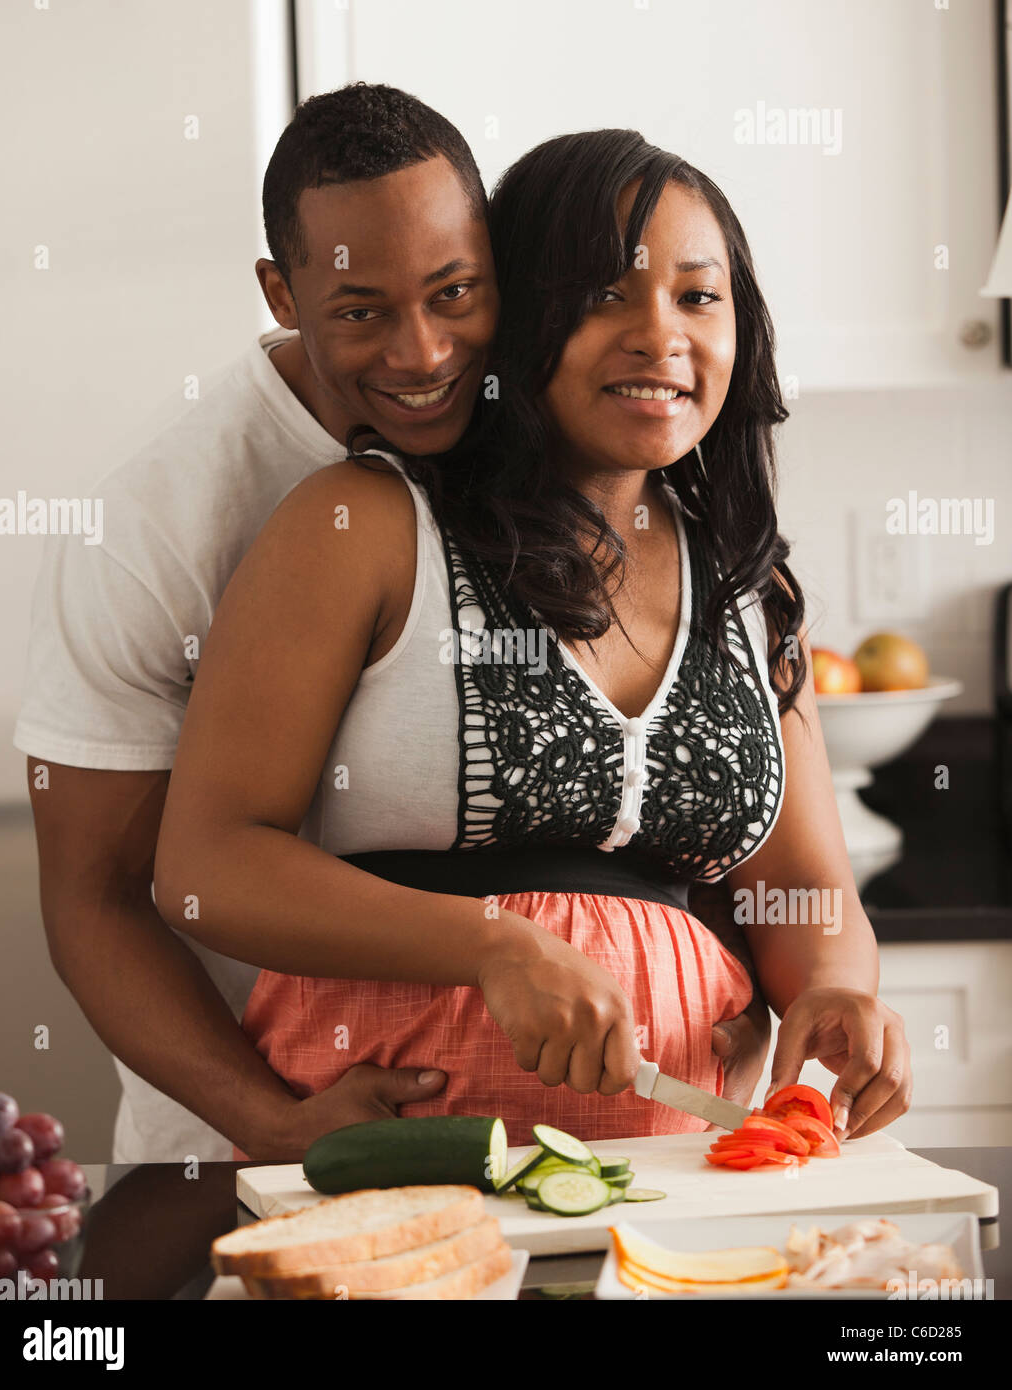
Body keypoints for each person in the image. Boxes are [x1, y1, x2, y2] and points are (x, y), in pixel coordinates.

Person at [14, 88, 767, 1163]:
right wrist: (273, 1124)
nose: (422, 354)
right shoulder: (152, 529)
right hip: (246, 1105)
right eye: (362, 311)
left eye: (455, 293)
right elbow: (98, 898)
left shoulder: (547, 476)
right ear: (282, 292)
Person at [153, 128, 910, 1151]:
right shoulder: (362, 528)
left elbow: (806, 886)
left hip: (681, 1173)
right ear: (519, 316)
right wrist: (494, 945)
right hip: (402, 1167)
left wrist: (834, 988)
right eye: (604, 295)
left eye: (697, 296)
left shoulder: (750, 589)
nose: (659, 335)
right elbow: (209, 863)